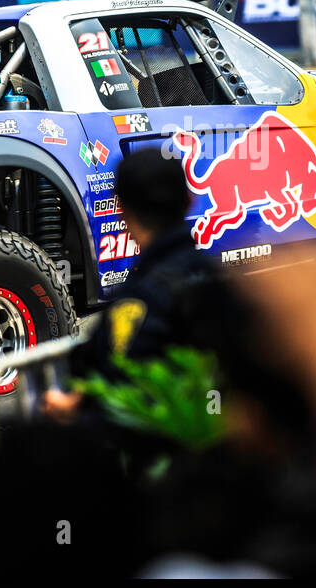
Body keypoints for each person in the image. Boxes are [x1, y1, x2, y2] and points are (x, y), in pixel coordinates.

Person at [47, 149, 243, 413]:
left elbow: (117, 398)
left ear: (122, 212)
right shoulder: (231, 287)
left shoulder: (139, 302)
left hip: (165, 441)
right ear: (189, 201)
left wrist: (73, 410)